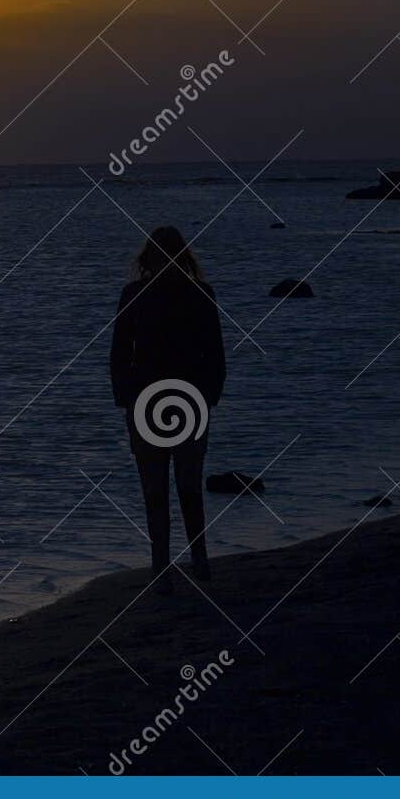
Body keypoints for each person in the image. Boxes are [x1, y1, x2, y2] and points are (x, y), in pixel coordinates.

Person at [108, 226, 226, 591]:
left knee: (170, 486)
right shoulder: (184, 294)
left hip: (168, 401)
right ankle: (178, 563)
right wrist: (127, 398)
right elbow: (118, 355)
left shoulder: (189, 295)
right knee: (171, 486)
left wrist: (207, 396)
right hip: (166, 401)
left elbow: (215, 353)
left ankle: (181, 563)